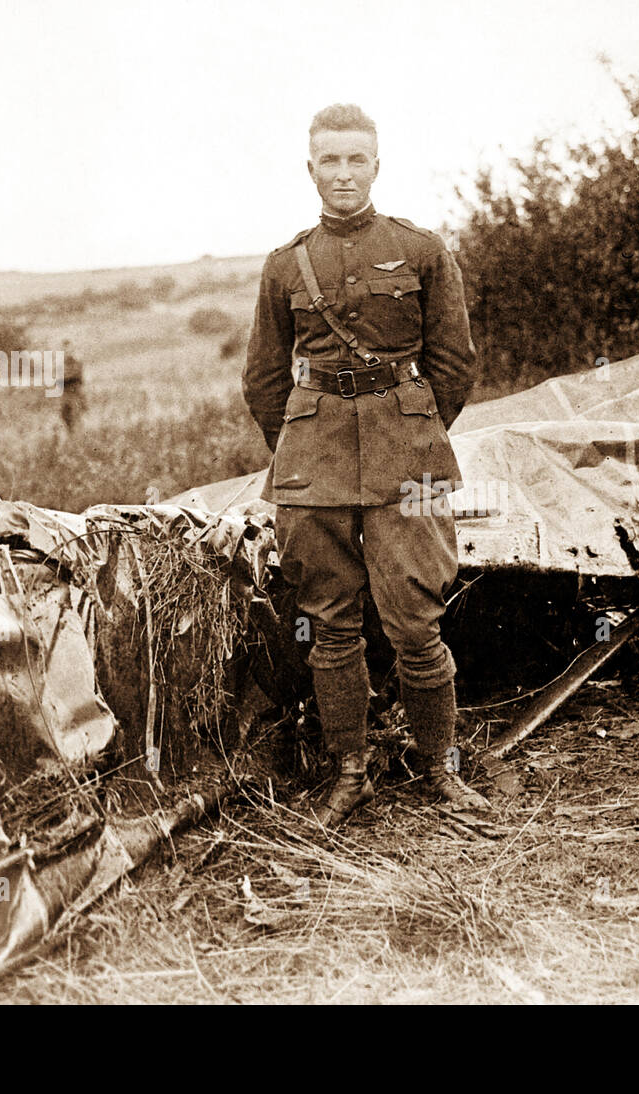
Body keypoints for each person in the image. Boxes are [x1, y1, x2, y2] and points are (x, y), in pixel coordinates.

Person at [242, 103, 490, 826]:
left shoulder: (421, 251)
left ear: (376, 167)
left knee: (416, 620)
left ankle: (439, 768)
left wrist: (412, 430)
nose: (343, 173)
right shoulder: (286, 265)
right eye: (330, 160)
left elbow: (454, 362)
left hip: (405, 461)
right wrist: (298, 448)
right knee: (329, 625)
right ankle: (350, 775)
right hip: (312, 465)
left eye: (356, 160)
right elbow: (263, 378)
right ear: (310, 168)